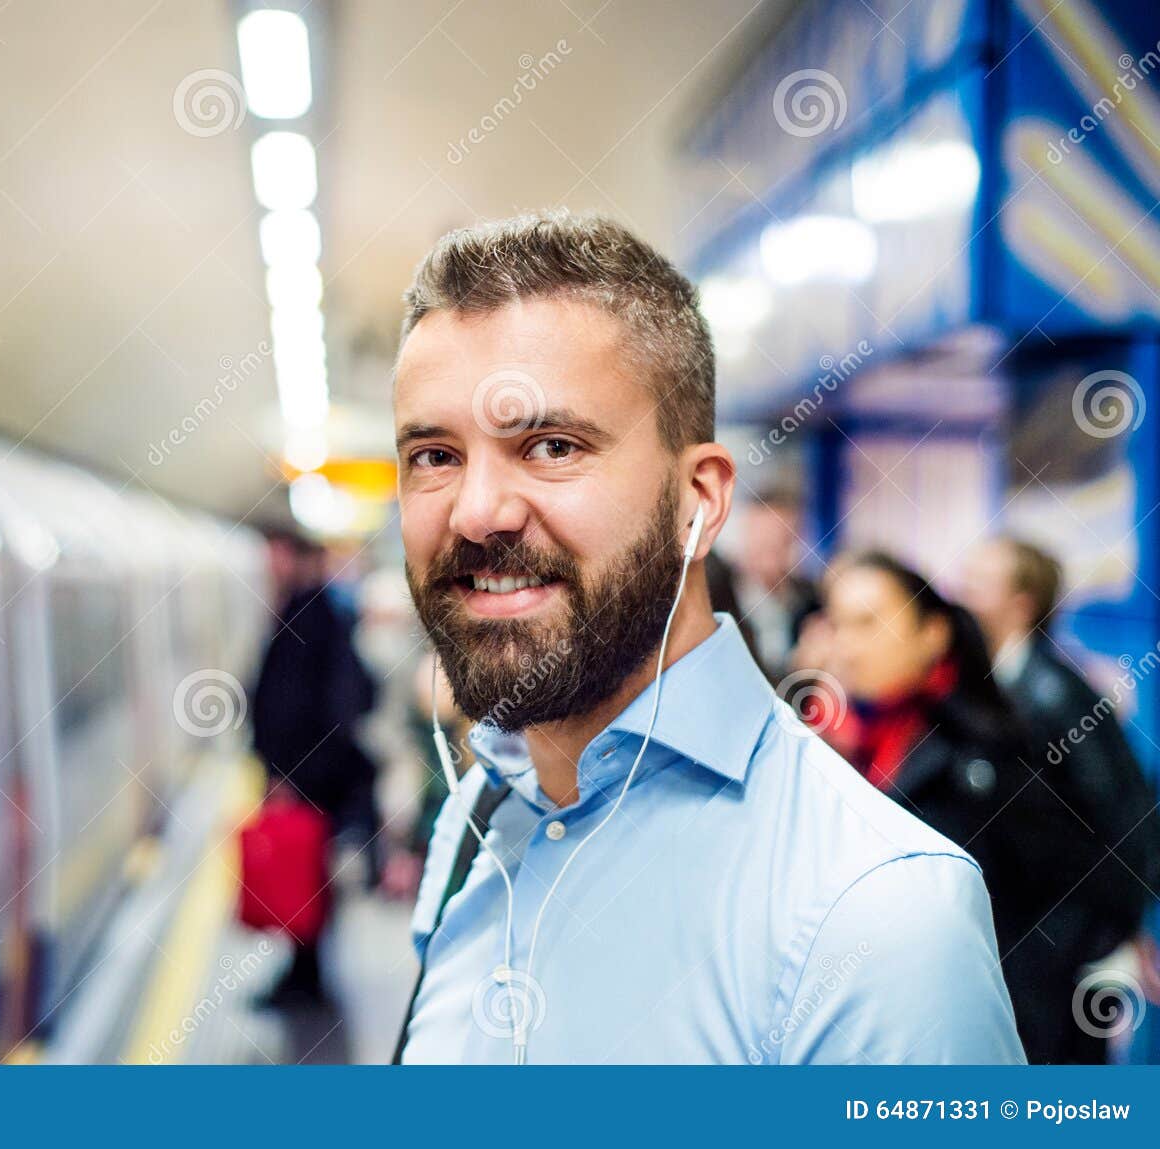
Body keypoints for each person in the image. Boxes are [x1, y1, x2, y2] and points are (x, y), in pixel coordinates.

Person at [391, 210, 1024, 1063]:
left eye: (550, 444)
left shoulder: (877, 913)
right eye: (434, 455)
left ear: (701, 497)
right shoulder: (482, 813)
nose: (475, 512)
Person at [821, 550, 1080, 1063]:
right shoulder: (841, 743)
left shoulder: (984, 751)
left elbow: (1070, 878)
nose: (847, 646)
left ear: (932, 634)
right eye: (837, 623)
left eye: (870, 623)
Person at [958, 536, 1160, 1062]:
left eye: (980, 583)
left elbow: (1123, 813)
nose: (962, 594)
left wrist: (1105, 934)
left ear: (1020, 602)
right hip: (1032, 938)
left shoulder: (1052, 693)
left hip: (1061, 947)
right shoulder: (999, 688)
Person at [248, 531, 379, 1007]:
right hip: (306, 770)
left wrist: (290, 772)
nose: (271, 564)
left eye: (276, 554)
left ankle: (307, 978)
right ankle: (302, 971)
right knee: (307, 873)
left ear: (298, 558)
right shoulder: (310, 609)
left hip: (307, 774)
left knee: (304, 874)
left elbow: (308, 702)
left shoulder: (311, 613)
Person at [732, 487, 820, 682]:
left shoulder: (813, 599)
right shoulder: (720, 594)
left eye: (782, 539)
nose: (771, 546)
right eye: (763, 537)